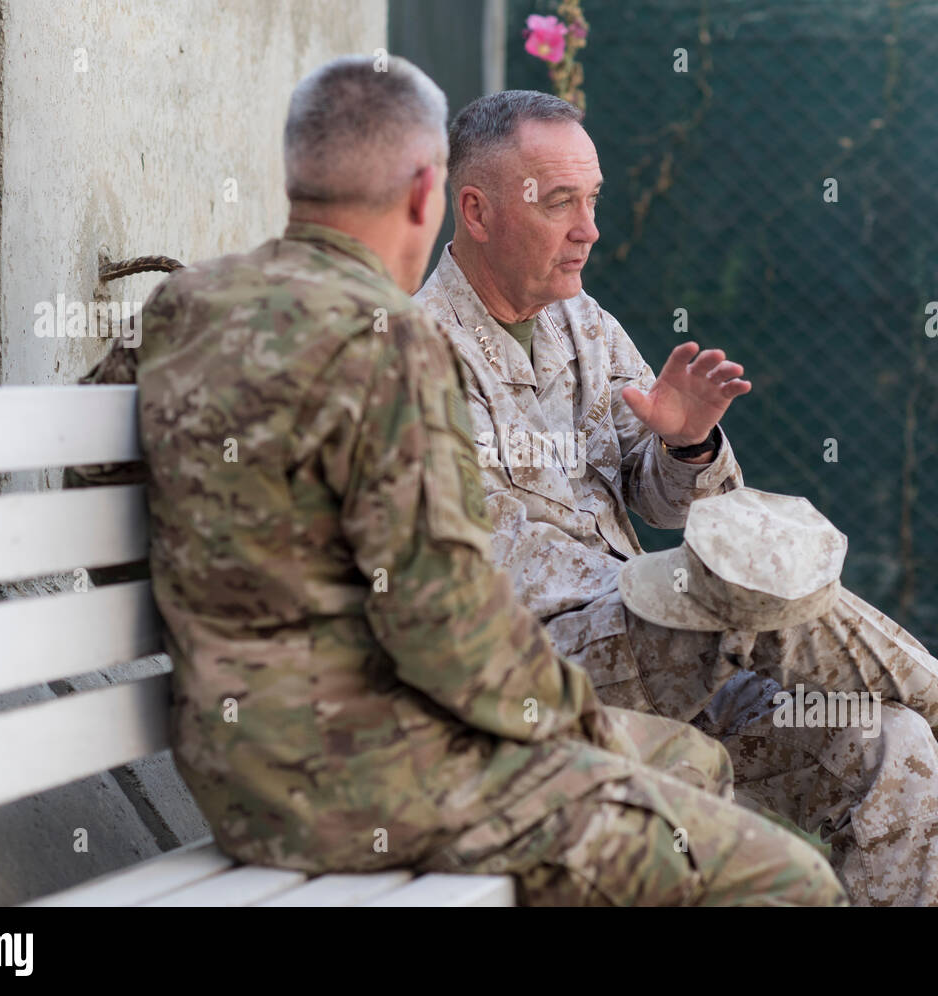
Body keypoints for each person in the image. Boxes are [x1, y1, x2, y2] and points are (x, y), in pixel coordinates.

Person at [67, 56, 846, 907]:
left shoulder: (185, 306)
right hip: (373, 785)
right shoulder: (398, 341)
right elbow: (446, 623)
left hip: (228, 771)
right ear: (426, 194)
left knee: (688, 761)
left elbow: (91, 482)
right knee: (791, 880)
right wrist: (584, 731)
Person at [413, 89, 938, 906]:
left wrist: (687, 441)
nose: (589, 229)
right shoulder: (414, 361)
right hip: (543, 672)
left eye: (593, 200)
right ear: (476, 212)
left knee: (890, 743)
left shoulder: (580, 324)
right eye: (559, 204)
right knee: (731, 589)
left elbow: (669, 503)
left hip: (663, 651)